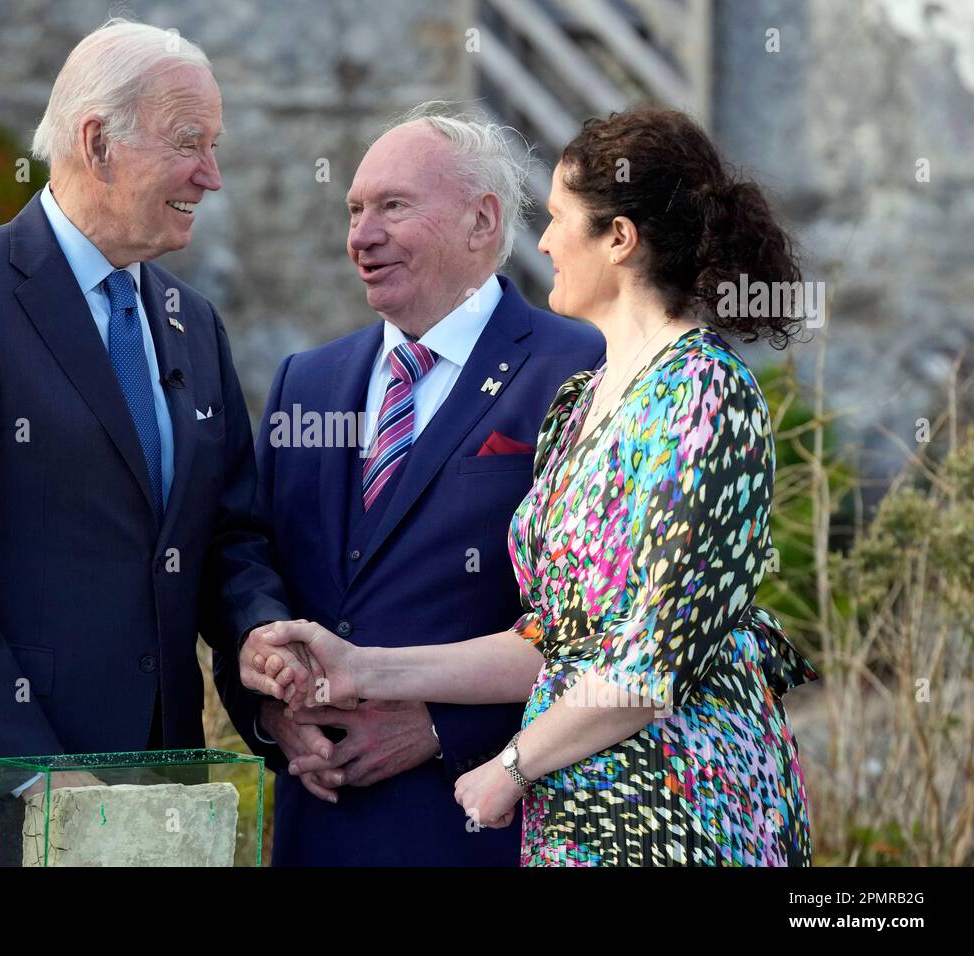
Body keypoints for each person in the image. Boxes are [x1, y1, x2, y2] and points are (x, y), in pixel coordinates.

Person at [248, 106, 820, 866]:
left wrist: (508, 767)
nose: (542, 241)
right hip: (572, 821)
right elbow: (550, 638)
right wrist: (360, 668)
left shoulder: (703, 393)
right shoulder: (581, 403)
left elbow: (649, 665)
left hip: (677, 811)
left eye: (557, 219)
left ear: (619, 239)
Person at [0, 18, 288, 867]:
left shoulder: (193, 324)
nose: (212, 176)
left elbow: (227, 535)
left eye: (214, 147)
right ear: (97, 142)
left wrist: (258, 629)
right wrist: (34, 776)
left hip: (154, 802)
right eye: (190, 143)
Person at [219, 107, 604, 866]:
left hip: (485, 824)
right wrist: (270, 704)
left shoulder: (580, 367)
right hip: (317, 820)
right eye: (354, 210)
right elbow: (245, 549)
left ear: (480, 220)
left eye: (393, 206)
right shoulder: (310, 380)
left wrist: (440, 728)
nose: (361, 235)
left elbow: (604, 620)